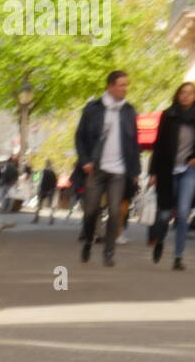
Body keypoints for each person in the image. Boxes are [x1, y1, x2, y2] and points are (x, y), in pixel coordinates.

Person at [74, 69, 140, 266]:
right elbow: (79, 136)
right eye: (121, 85)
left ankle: (109, 252)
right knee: (91, 211)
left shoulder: (129, 111)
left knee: (114, 212)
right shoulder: (93, 108)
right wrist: (85, 160)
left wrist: (135, 171)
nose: (125, 89)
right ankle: (87, 241)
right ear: (110, 86)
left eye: (126, 85)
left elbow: (134, 142)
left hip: (118, 171)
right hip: (96, 169)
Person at [147, 81, 195, 270]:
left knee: (183, 213)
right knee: (164, 213)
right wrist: (153, 172)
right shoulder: (168, 115)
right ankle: (159, 240)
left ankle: (177, 256)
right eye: (183, 92)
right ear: (177, 94)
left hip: (189, 171)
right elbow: (158, 145)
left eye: (190, 93)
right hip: (167, 170)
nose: (186, 96)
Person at [33, 159, 58, 224]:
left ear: (45, 164)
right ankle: (51, 218)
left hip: (43, 190)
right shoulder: (53, 173)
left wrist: (39, 189)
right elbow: (55, 183)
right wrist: (52, 189)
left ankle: (36, 218)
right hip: (50, 190)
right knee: (50, 205)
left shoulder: (42, 171)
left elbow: (37, 180)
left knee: (39, 204)